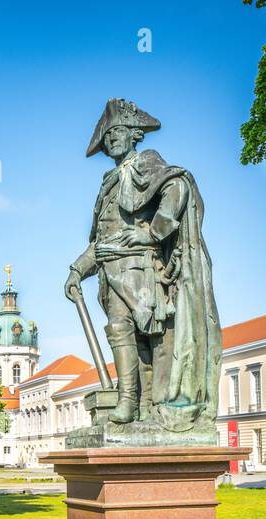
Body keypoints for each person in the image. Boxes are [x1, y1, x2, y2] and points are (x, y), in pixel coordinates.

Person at [65, 98, 222, 430]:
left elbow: (178, 186)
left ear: (134, 134)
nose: (113, 141)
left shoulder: (146, 163)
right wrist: (78, 269)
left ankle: (148, 405)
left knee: (151, 337)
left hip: (142, 271)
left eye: (118, 133)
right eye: (108, 138)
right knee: (123, 335)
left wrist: (153, 232)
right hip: (110, 273)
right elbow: (101, 239)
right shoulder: (109, 180)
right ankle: (131, 403)